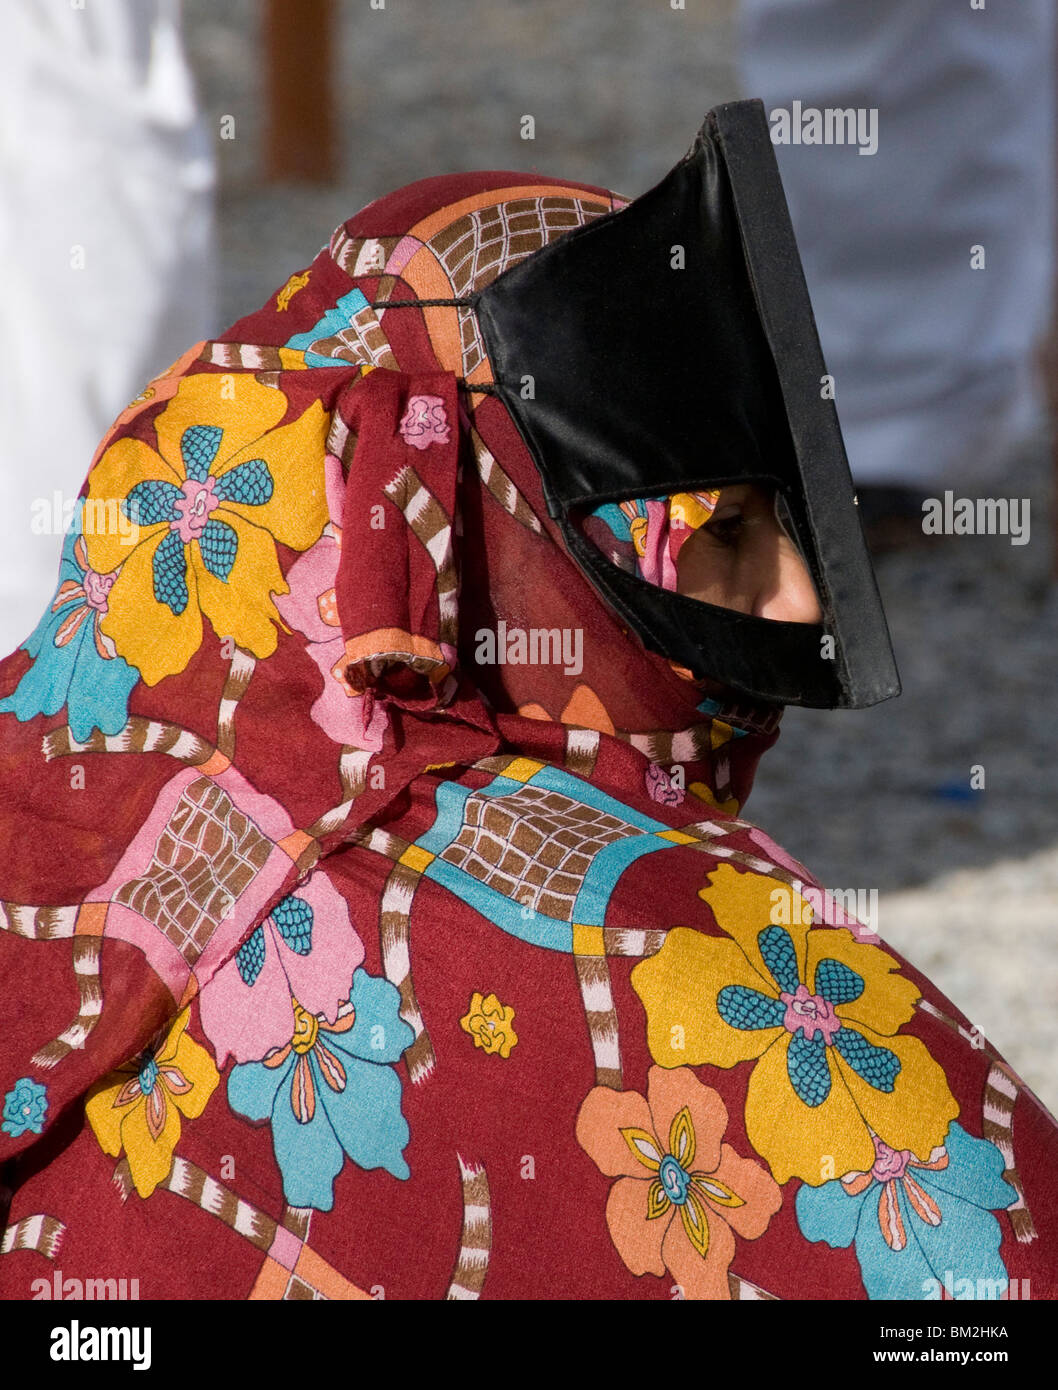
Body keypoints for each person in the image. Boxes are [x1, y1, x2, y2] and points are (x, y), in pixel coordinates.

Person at [0, 101, 1054, 1302]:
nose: (795, 596)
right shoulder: (706, 974)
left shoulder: (48, 808)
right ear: (506, 542)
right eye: (721, 535)